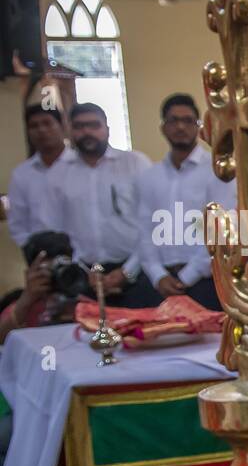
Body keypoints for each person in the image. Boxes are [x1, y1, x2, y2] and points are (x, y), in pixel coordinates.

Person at [135, 93, 236, 311]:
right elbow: (144, 230)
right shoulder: (150, 176)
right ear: (163, 127)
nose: (180, 127)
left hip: (205, 282)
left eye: (188, 120)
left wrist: (187, 276)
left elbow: (219, 230)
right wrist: (157, 274)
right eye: (173, 120)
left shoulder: (216, 171)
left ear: (199, 127)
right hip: (159, 284)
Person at [49, 102, 151, 305]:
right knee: (87, 336)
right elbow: (58, 232)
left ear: (107, 129)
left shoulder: (135, 164)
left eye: (94, 125)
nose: (87, 131)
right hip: (84, 279)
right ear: (69, 130)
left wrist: (126, 272)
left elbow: (153, 223)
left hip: (138, 273)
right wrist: (82, 272)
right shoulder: (58, 173)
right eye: (79, 126)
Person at [6, 105, 76, 248]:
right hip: (42, 256)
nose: (41, 130)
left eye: (47, 123)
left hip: (88, 255)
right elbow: (17, 224)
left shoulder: (81, 167)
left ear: (62, 126)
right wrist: (35, 250)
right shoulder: (22, 174)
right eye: (34, 126)